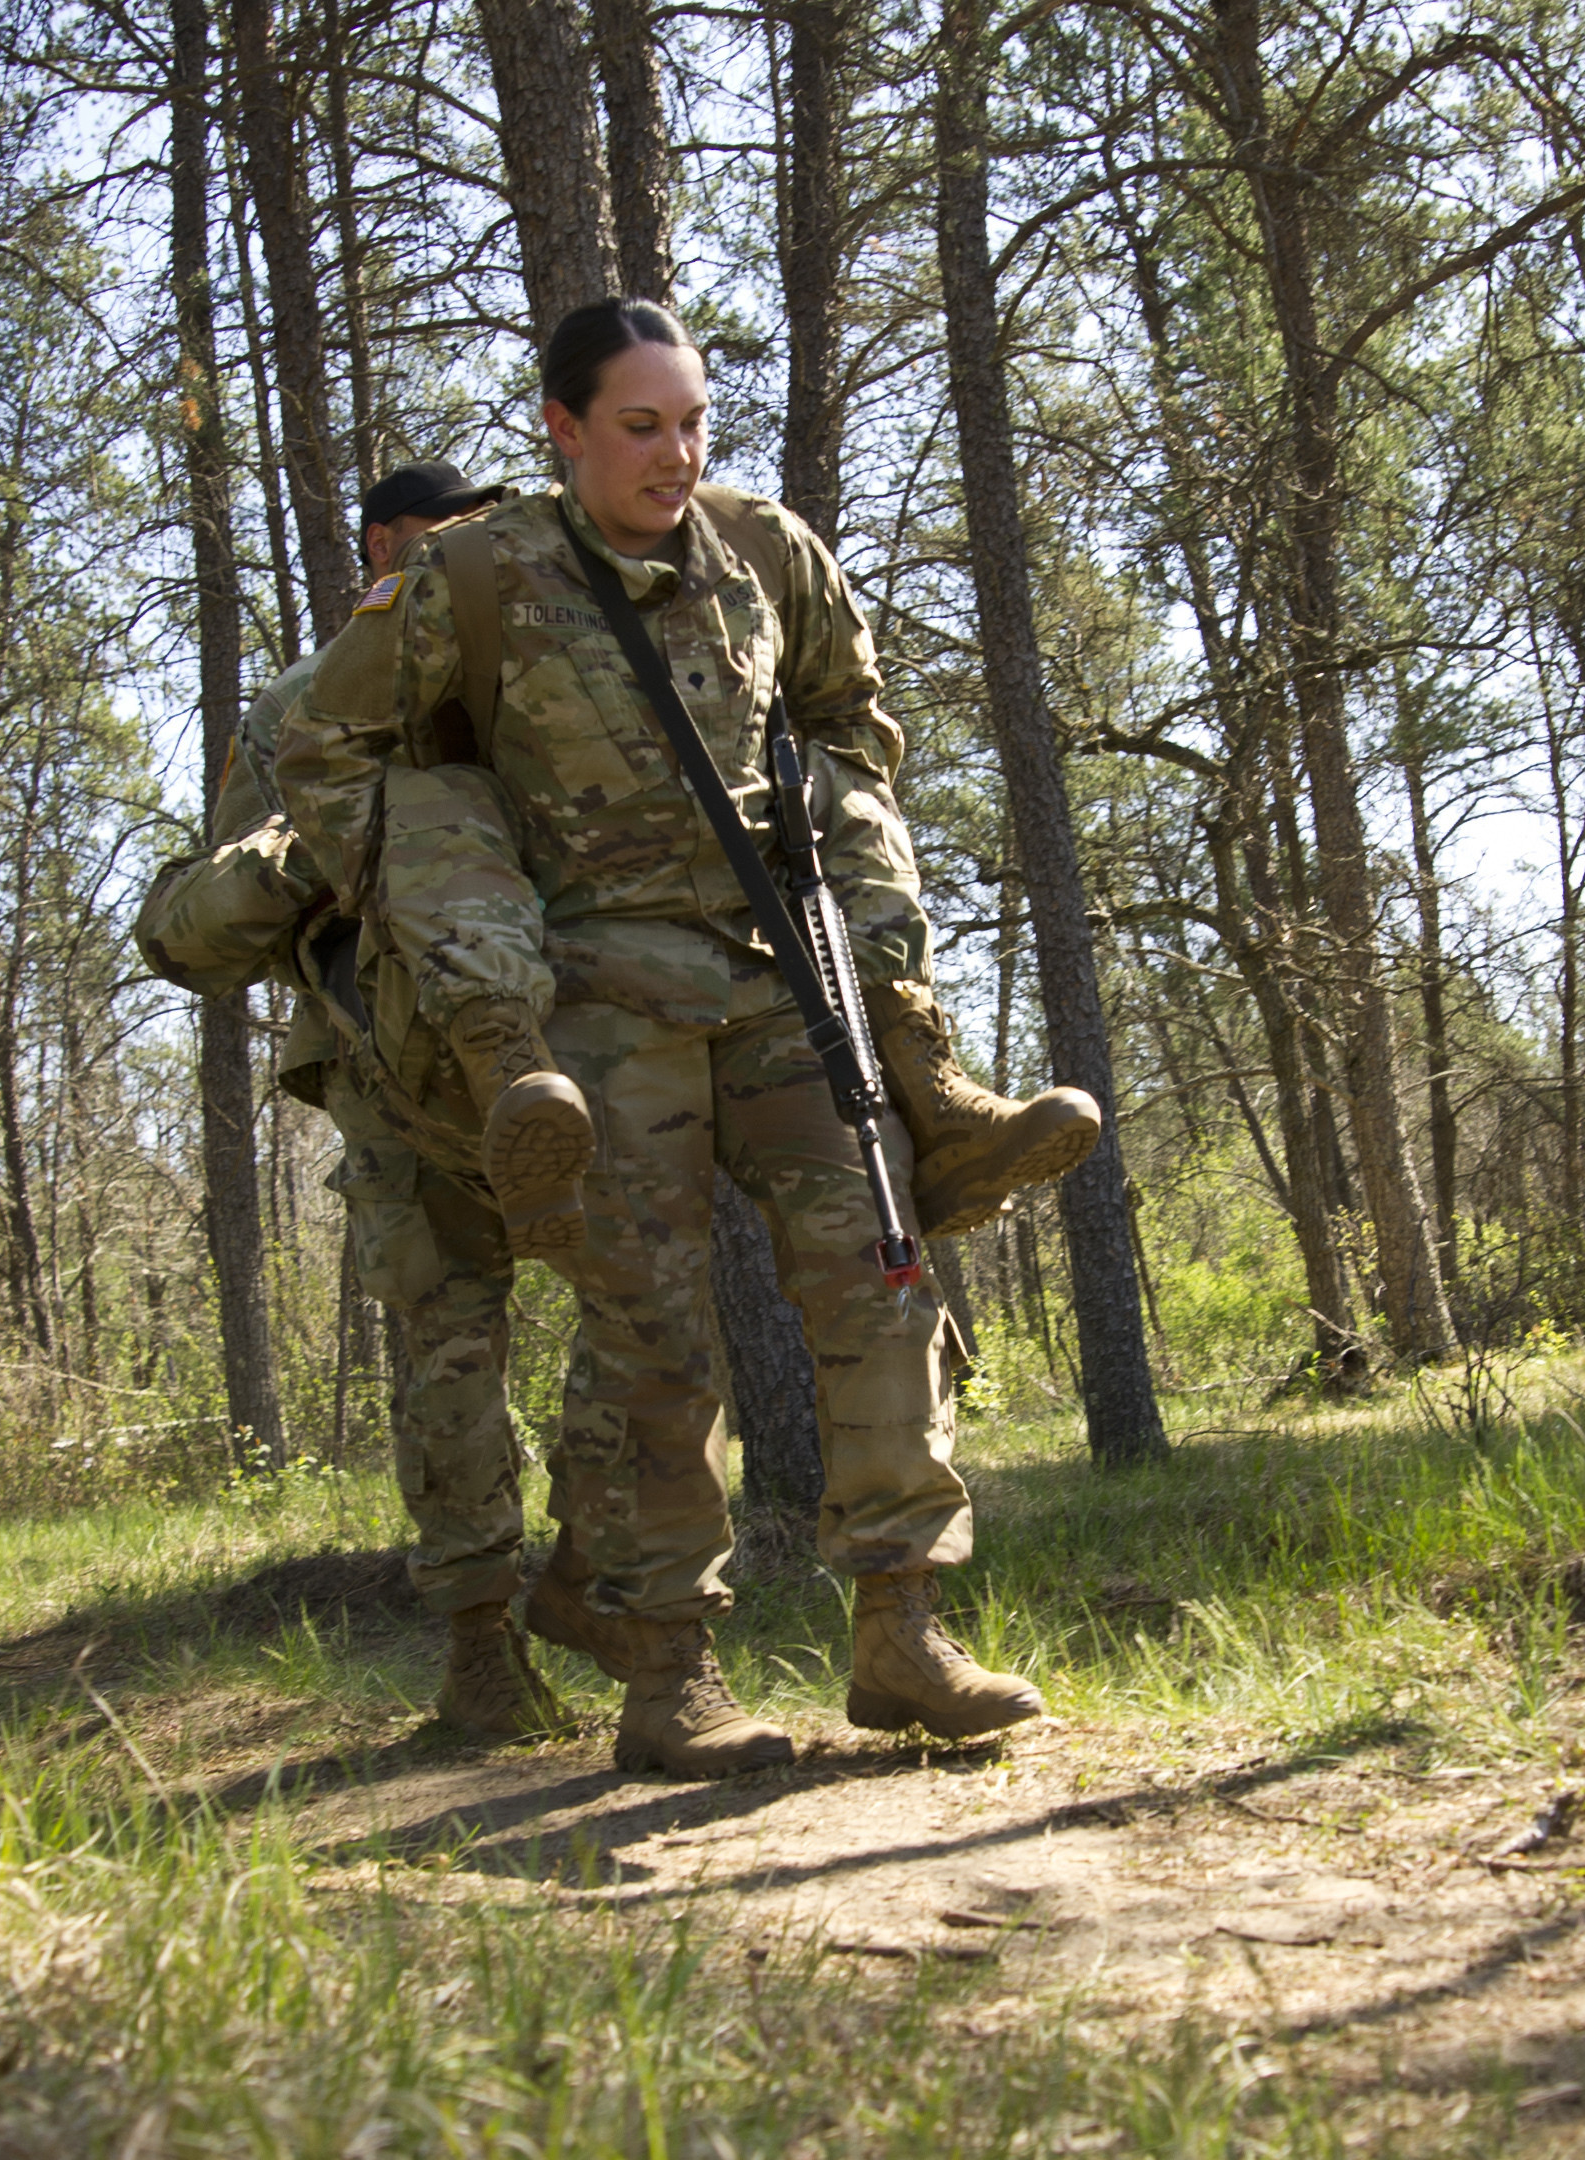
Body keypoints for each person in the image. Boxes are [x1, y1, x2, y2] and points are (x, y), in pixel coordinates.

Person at [275, 301, 1101, 1779]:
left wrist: (856, 875)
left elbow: (852, 715)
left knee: (880, 1263)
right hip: (593, 993)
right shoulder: (471, 575)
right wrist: (434, 878)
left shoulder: (766, 550)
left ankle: (900, 1631)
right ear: (565, 428)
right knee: (654, 1332)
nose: (674, 454)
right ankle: (668, 1675)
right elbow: (328, 746)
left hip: (780, 968)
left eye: (693, 421)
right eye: (640, 426)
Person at [138, 460, 570, 1741]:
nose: (472, 558)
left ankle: (639, 1608)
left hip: (575, 1054)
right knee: (449, 1354)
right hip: (393, 1071)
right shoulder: (293, 709)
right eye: (445, 537)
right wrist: (317, 849)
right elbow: (194, 918)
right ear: (382, 547)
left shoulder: (537, 682)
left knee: (644, 1315)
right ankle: (481, 1648)